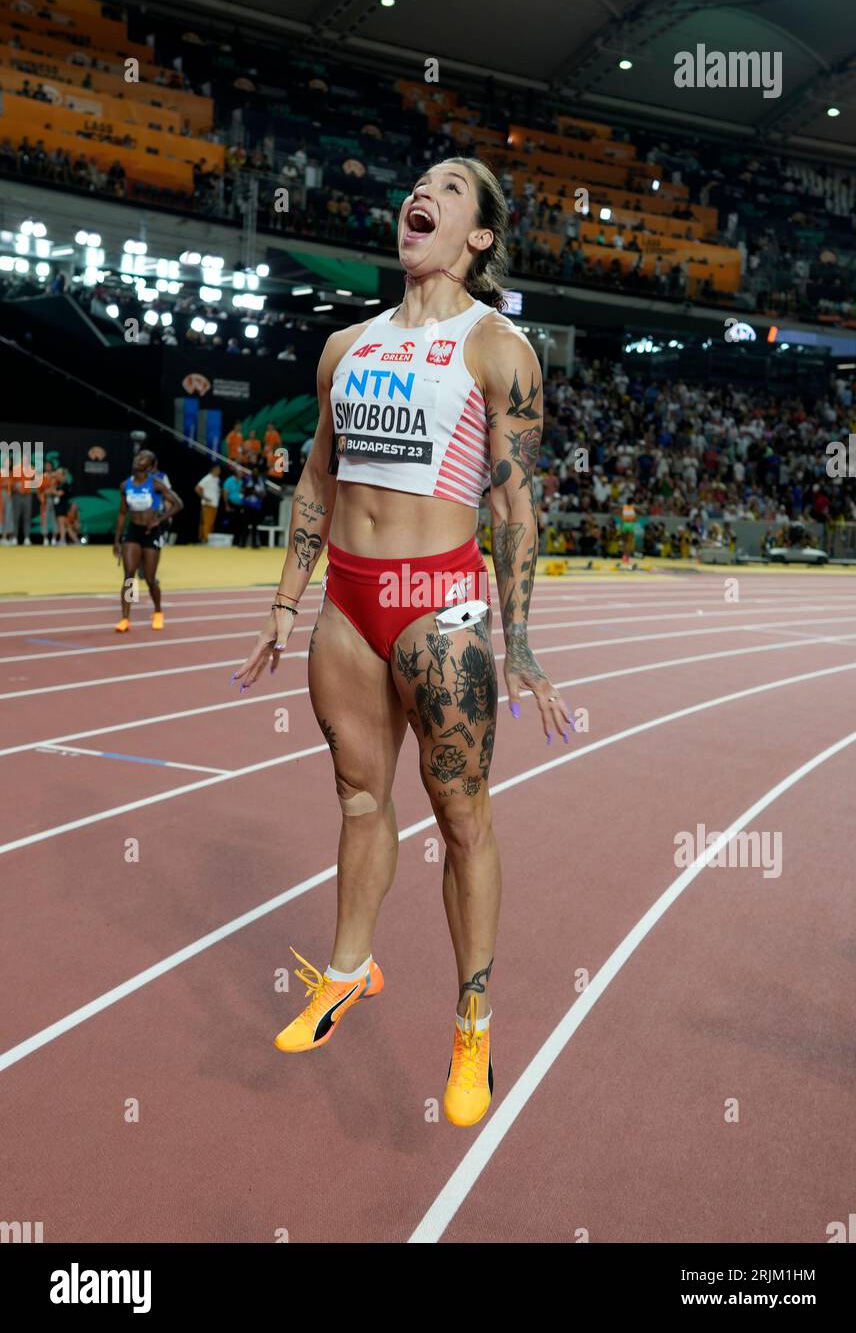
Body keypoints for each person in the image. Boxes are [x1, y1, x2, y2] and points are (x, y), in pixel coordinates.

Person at [233, 156, 572, 1128]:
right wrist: (283, 603)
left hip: (439, 610)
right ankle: (349, 968)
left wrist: (525, 644)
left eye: (451, 188)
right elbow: (314, 483)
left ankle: (472, 1022)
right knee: (356, 796)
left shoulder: (497, 349)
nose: (420, 194)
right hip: (347, 603)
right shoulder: (345, 347)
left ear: (477, 237)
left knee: (461, 818)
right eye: (418, 183)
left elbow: (513, 505)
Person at [112, 449, 183, 632]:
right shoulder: (125, 485)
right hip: (133, 532)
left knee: (150, 579)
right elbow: (122, 514)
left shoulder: (156, 484)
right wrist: (117, 540)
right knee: (129, 576)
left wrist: (159, 519)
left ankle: (158, 611)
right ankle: (125, 618)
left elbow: (178, 504)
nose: (138, 459)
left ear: (150, 466)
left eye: (144, 458)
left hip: (151, 533)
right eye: (138, 456)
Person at [195, 463, 222, 542]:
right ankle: (204, 539)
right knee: (205, 523)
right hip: (207, 505)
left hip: (214, 505)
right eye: (218, 470)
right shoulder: (207, 478)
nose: (219, 471)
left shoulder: (217, 479)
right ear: (213, 470)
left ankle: (208, 539)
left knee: (211, 523)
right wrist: (205, 498)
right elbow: (197, 488)